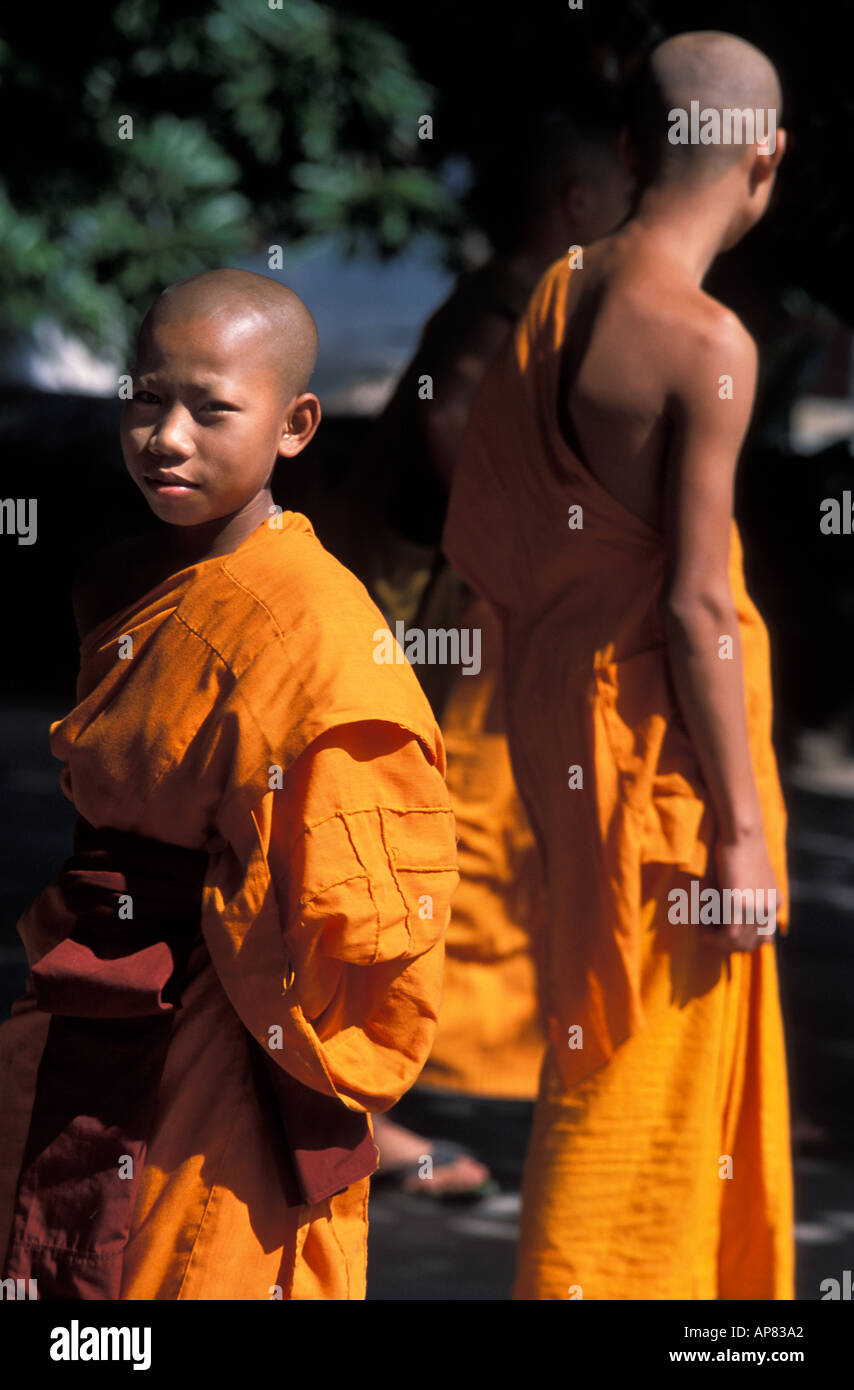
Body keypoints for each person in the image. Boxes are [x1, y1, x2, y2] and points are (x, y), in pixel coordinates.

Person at [0, 269, 458, 1300]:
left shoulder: (320, 628)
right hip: (89, 979)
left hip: (224, 1019)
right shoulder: (114, 583)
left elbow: (355, 904)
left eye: (211, 409)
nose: (167, 436)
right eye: (146, 397)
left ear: (296, 425)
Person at [444, 31, 793, 1297]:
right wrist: (746, 834)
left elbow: (494, 532)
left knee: (604, 1030)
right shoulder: (704, 341)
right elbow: (698, 602)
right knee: (635, 1062)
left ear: (638, 147)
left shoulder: (560, 287)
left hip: (565, 717)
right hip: (660, 761)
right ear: (765, 162)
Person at [319, 111, 632, 1196]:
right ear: (579, 207)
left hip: (444, 621)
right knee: (380, 859)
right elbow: (454, 423)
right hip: (419, 619)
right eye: (627, 200)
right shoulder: (509, 300)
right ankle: (348, 1115)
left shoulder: (531, 301)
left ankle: (372, 1104)